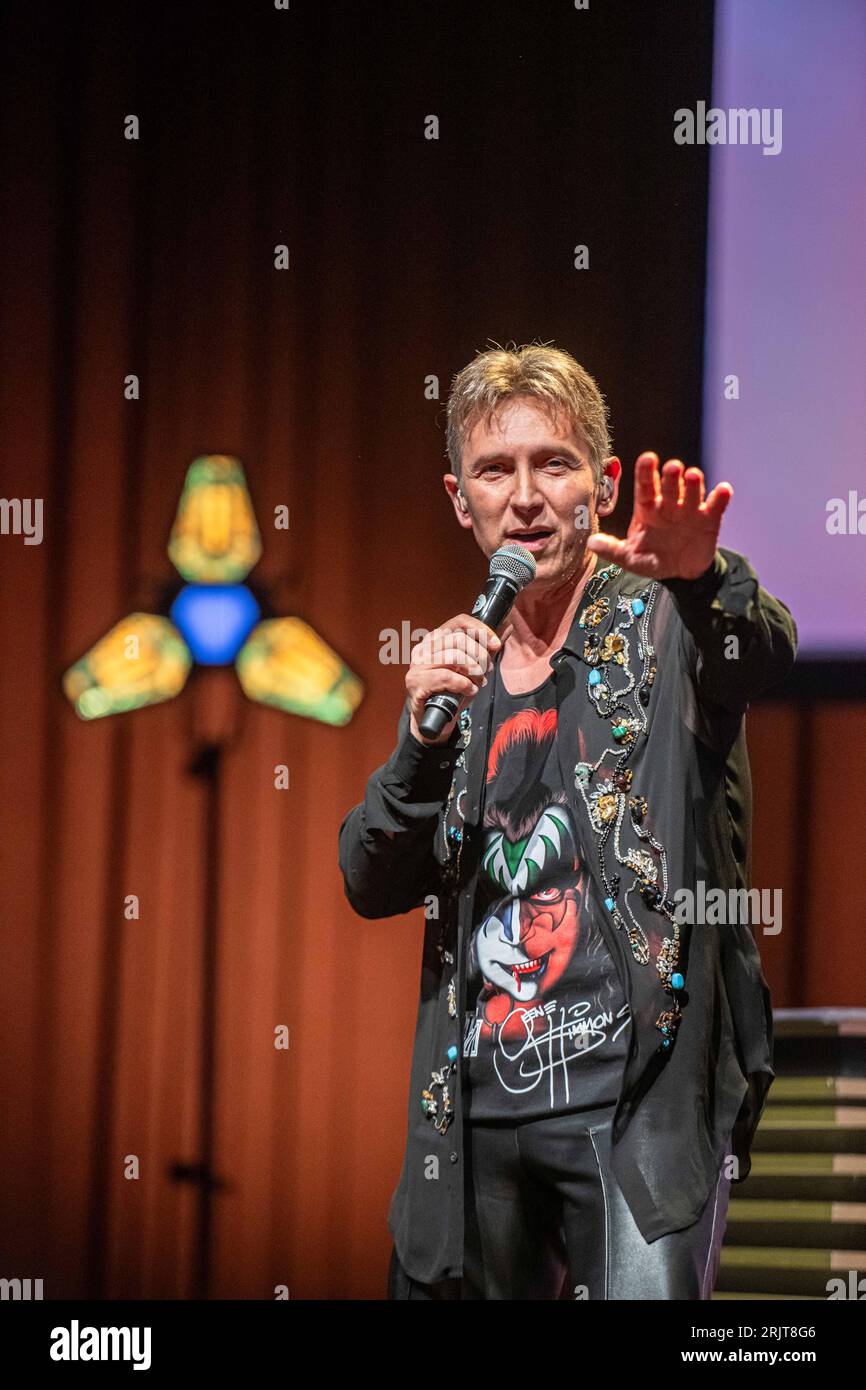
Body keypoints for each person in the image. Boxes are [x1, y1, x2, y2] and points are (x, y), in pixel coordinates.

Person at [338, 344, 797, 1299]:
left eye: (555, 462)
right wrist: (419, 744)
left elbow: (759, 651)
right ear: (462, 502)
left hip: (635, 1110)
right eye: (495, 472)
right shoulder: (457, 675)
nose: (527, 497)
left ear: (604, 482)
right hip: (474, 1120)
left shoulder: (666, 620)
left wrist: (705, 580)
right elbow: (369, 877)